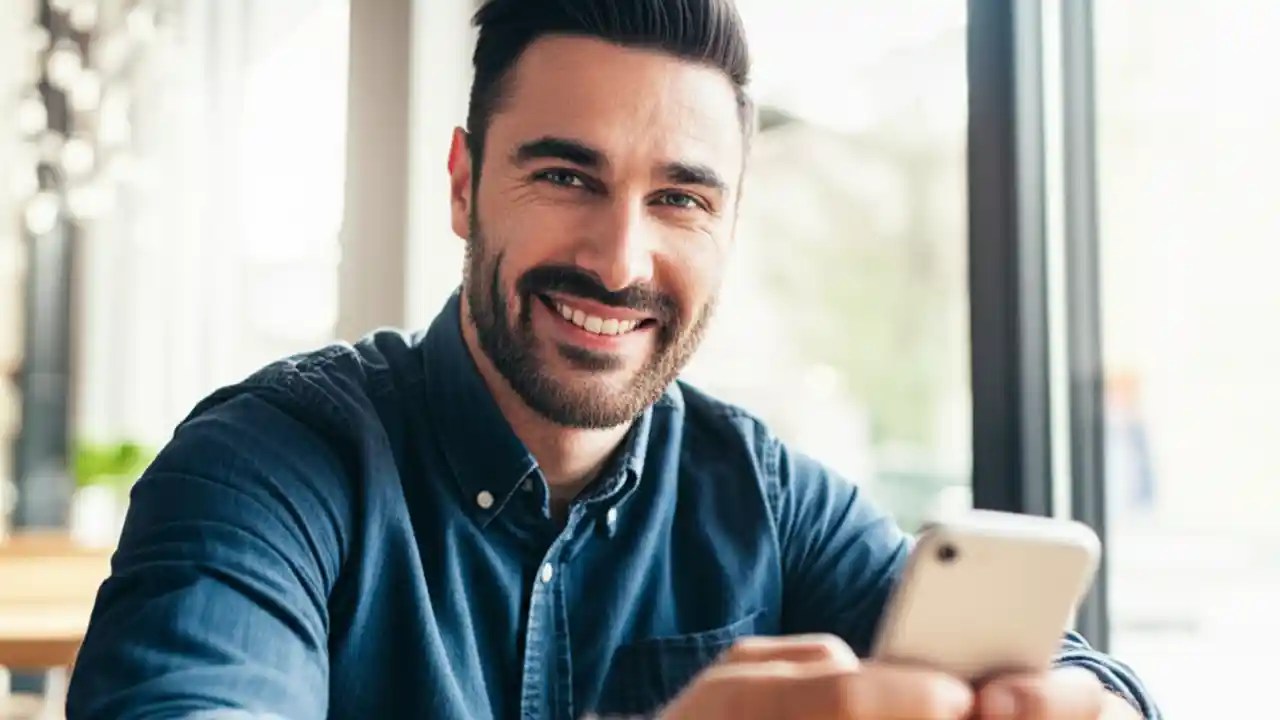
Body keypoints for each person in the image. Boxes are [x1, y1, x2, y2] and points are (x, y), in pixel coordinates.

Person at [67, 1, 1159, 718]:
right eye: (564, 177)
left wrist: (1073, 702)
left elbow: (1094, 678)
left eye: (679, 197)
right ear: (462, 184)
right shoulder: (268, 467)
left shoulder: (765, 497)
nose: (618, 260)